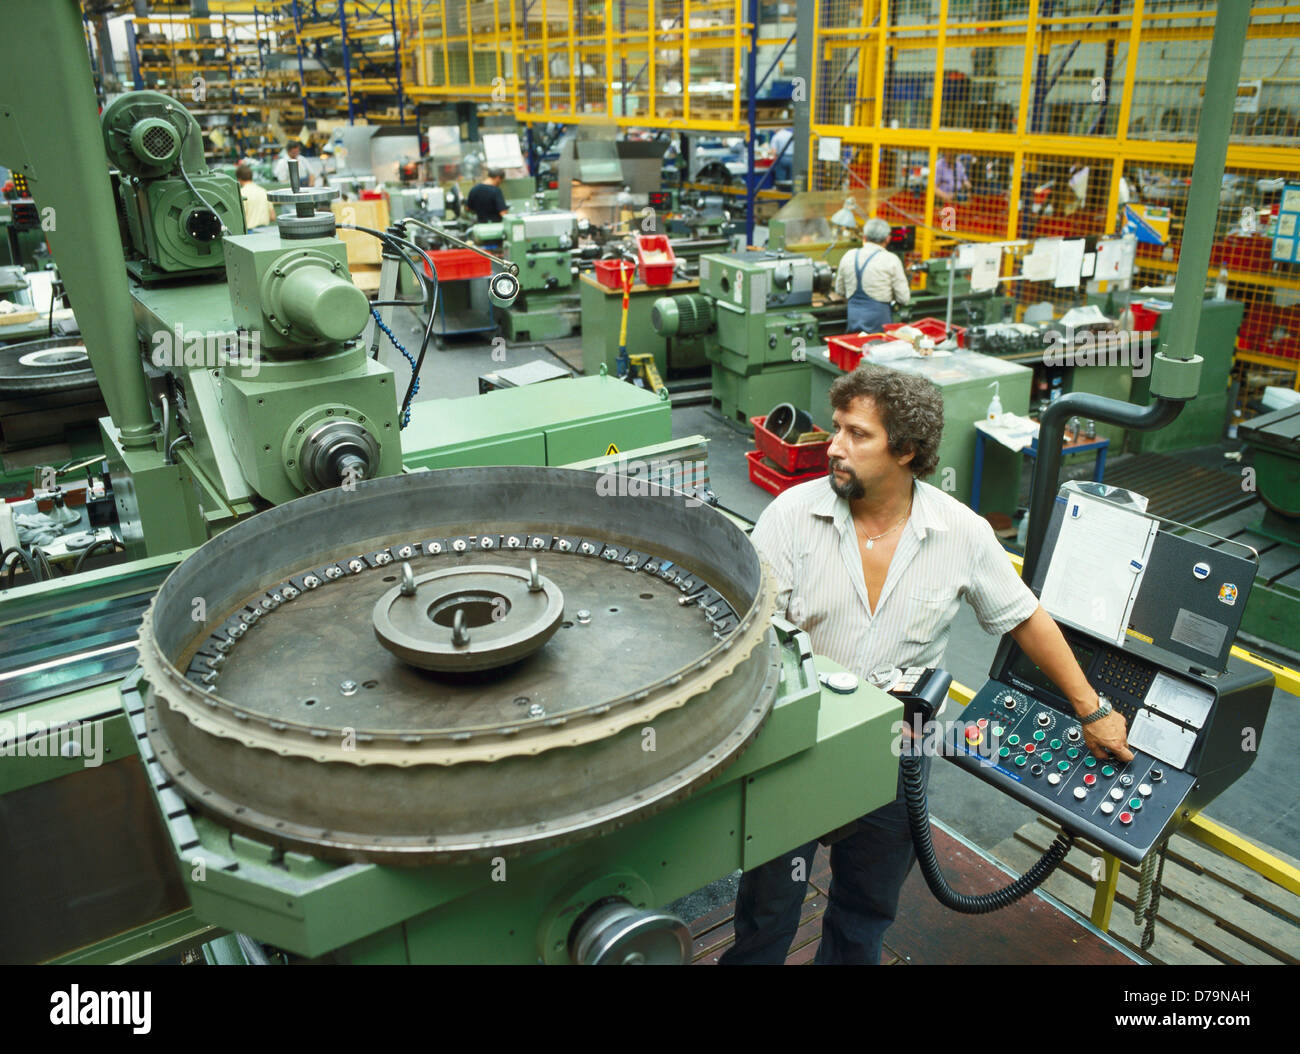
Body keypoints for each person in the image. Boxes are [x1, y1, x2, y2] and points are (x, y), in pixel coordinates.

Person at [719, 365, 1134, 965]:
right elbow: (752, 632)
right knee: (766, 914)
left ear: (907, 450)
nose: (833, 446)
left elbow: (1026, 618)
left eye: (856, 435)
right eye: (837, 428)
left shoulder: (959, 532)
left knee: (864, 912)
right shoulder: (791, 516)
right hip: (796, 745)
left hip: (897, 749)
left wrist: (1092, 709)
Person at [833, 218, 910, 333]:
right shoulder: (891, 260)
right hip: (879, 324)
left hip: (853, 320)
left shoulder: (848, 256)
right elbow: (904, 299)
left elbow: (839, 290)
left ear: (864, 237)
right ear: (887, 239)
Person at [235, 162, 272, 229]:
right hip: (266, 231)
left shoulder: (241, 193)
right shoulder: (263, 191)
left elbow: (240, 219)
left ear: (239, 178)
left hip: (249, 233)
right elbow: (272, 216)